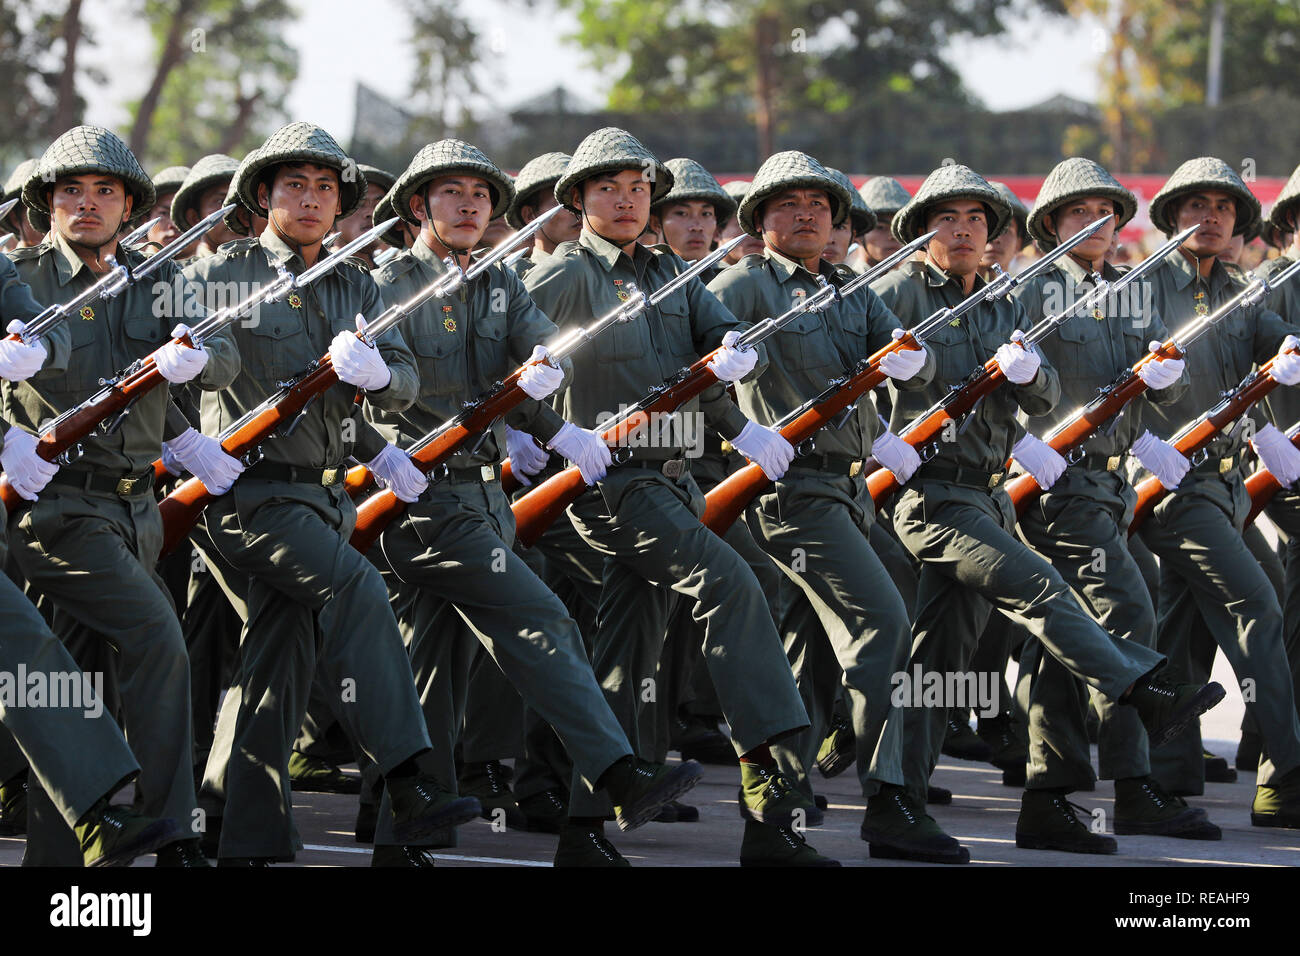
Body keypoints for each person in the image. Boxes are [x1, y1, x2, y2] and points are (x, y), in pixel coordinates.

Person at [868, 162, 1221, 863]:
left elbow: (1040, 397)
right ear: (921, 229)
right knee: (1041, 588)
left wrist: (1034, 378)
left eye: (976, 219)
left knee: (942, 662)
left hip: (993, 491)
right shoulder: (895, 292)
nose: (963, 230)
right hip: (933, 493)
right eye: (947, 217)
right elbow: (841, 379)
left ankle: (896, 801)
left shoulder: (1003, 301)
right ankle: (1138, 684)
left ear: (994, 232)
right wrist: (878, 436)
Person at [522, 127, 829, 866]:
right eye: (607, 189)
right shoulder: (566, 274)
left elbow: (708, 347)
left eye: (637, 188)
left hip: (676, 481)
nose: (626, 201)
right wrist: (538, 428)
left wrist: (737, 390)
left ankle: (583, 829)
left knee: (627, 656)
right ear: (580, 200)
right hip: (613, 485)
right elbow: (507, 352)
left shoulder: (670, 273)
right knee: (734, 582)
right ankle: (773, 784)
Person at [185, 121, 486, 865]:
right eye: (296, 184)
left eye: (326, 188)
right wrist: (202, 366)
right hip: (251, 497)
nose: (314, 199)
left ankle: (235, 826)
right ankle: (410, 777)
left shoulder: (356, 279)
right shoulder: (228, 272)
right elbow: (216, 361)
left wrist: (379, 379)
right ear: (264, 195)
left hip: (324, 499)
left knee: (277, 662)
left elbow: (402, 385)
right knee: (359, 590)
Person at [708, 150, 935, 858]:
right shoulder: (742, 283)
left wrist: (908, 358)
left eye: (819, 204)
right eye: (788, 203)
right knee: (882, 621)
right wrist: (738, 431)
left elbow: (896, 348)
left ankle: (776, 823)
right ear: (762, 220)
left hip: (847, 488)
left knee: (802, 655)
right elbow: (697, 373)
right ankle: (889, 798)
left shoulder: (848, 288)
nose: (806, 214)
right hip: (787, 491)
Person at [4, 126, 211, 866]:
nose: (86, 204)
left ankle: (63, 857)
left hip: (135, 511)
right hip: (58, 509)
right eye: (70, 191)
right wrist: (5, 432)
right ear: (46, 204)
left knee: (77, 680)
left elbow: (201, 364)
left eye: (104, 191)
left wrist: (192, 428)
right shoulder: (22, 279)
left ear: (129, 206)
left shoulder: (156, 280)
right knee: (159, 638)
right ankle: (173, 826)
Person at [1008, 157, 1220, 848]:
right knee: (1124, 612)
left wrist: (1165, 381)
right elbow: (999, 385)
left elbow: (1155, 391)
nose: (1094, 224)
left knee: (1070, 639)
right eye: (1078, 213)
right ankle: (1132, 785)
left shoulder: (1125, 292)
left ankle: (1051, 794)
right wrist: (1021, 447)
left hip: (1112, 481)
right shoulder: (1031, 289)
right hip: (1058, 482)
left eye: (1105, 212)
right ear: (1052, 223)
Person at [1136, 157, 1300, 829]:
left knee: (1185, 620)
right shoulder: (1137, 289)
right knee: (1259, 602)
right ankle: (1285, 776)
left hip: (1226, 486)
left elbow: (1276, 344)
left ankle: (1161, 774)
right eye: (1196, 204)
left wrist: (1288, 351)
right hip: (1166, 485)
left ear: (1238, 221)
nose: (1210, 216)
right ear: (1174, 214)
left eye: (1224, 207)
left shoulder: (1243, 290)